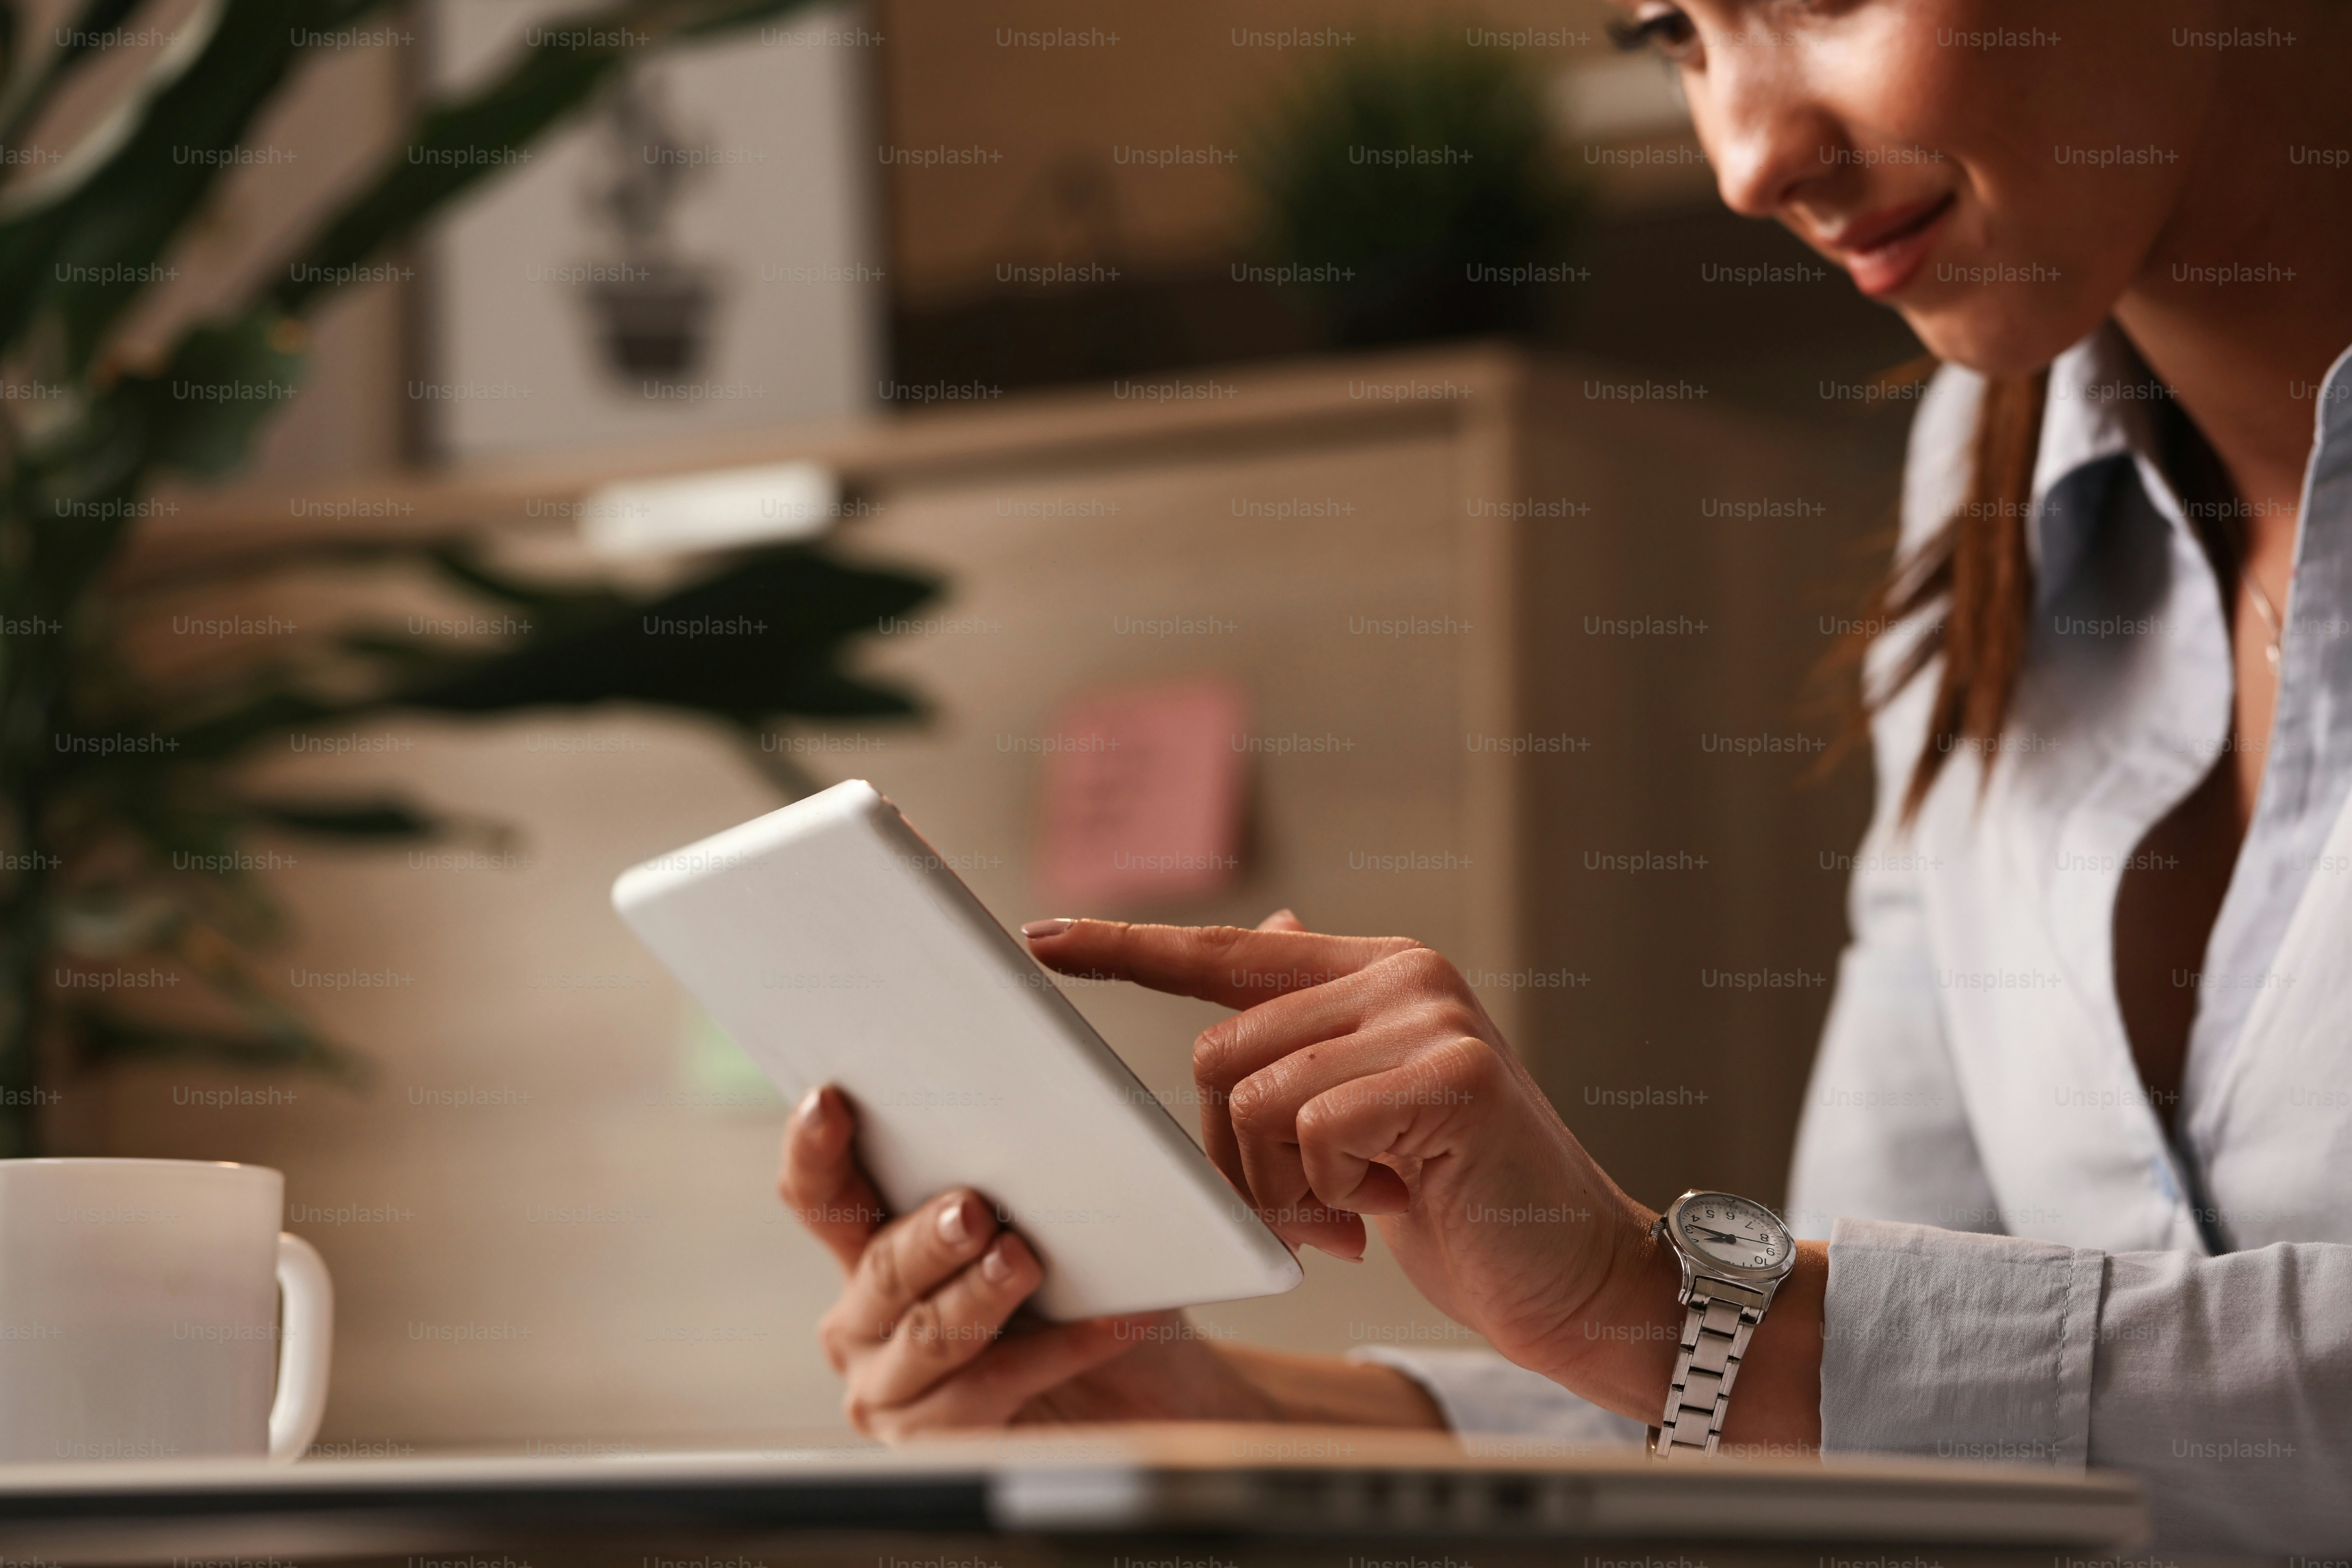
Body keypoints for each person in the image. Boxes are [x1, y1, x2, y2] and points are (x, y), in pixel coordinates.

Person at [778, 0, 2352, 1554]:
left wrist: (1660, 1305)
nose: (1745, 152)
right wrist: (1185, 1406)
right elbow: (1833, 1427)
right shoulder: (1984, 505)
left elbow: (1790, 1360)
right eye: (1668, 31)